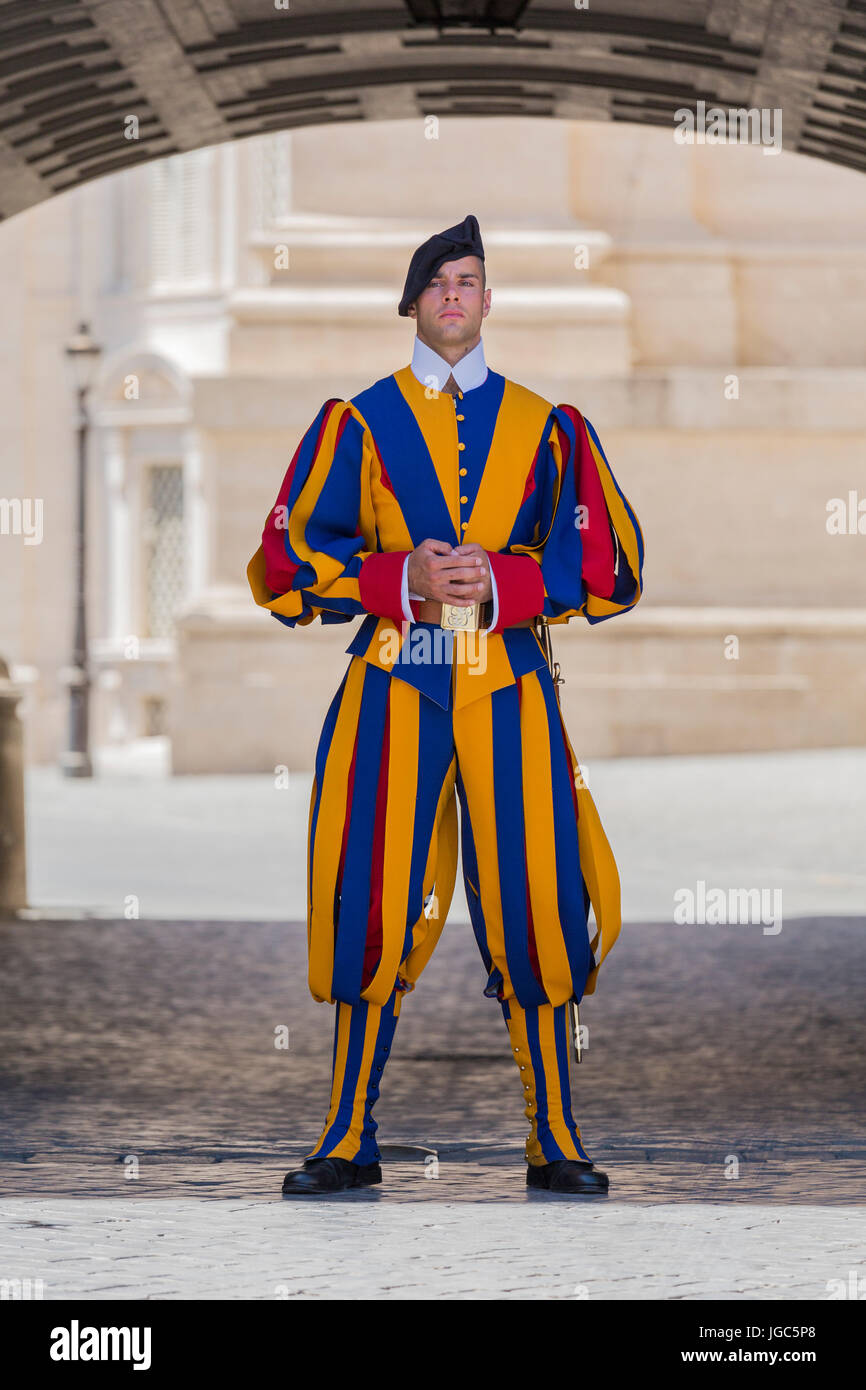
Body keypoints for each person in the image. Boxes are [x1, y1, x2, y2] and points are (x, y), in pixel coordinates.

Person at [247, 214, 644, 1197]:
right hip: (393, 679)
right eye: (439, 285)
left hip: (507, 686)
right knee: (363, 896)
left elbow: (609, 562)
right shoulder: (358, 422)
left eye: (469, 281)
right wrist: (394, 574)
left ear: (486, 300)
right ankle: (346, 1134)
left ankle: (552, 1134)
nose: (455, 296)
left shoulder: (548, 427)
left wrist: (507, 582)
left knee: (536, 900)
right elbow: (284, 557)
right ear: (414, 304)